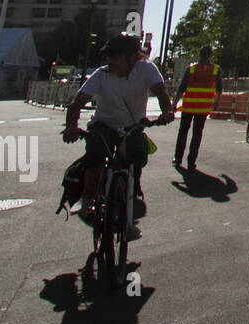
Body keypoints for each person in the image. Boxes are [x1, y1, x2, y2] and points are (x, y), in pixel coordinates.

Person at [62, 33, 175, 232]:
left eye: (116, 56)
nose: (110, 60)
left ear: (132, 57)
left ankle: (129, 197)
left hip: (133, 126)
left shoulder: (146, 69)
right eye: (108, 56)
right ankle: (87, 198)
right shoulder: (101, 74)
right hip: (103, 125)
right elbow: (76, 104)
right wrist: (71, 127)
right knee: (95, 156)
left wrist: (167, 112)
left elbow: (161, 93)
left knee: (138, 156)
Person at [173, 45, 221, 172]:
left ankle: (178, 159)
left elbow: (182, 88)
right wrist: (216, 102)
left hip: (189, 106)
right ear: (210, 55)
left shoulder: (192, 68)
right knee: (197, 133)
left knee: (183, 131)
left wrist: (174, 104)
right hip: (203, 108)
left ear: (199, 54)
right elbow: (219, 89)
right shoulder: (215, 69)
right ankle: (191, 161)